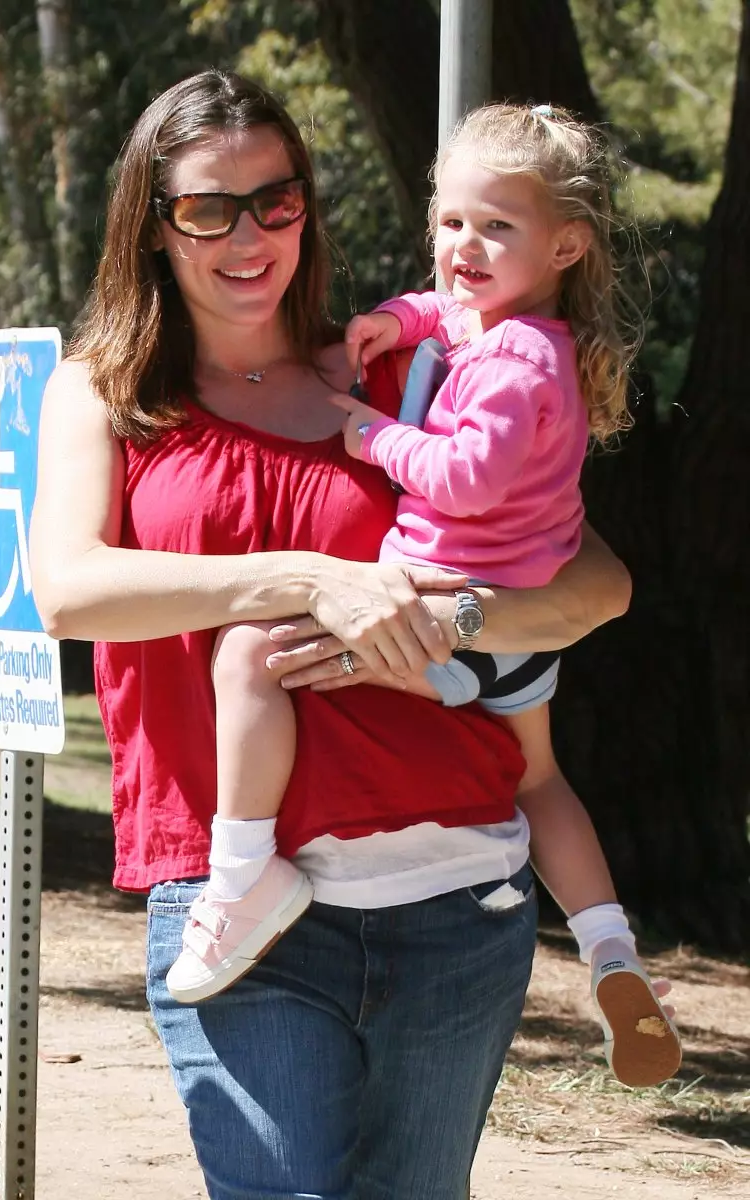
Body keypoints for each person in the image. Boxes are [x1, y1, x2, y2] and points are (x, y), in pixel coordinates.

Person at [29, 69, 664, 1200]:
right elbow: (71, 591)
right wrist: (311, 580)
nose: (248, 233)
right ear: (152, 222)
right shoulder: (106, 391)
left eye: (275, 200)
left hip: (455, 895)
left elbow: (595, 588)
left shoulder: (389, 364)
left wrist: (443, 617)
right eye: (206, 207)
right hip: (234, 907)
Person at [162, 97, 680, 1090]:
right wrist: (384, 322)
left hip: (458, 606)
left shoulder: (512, 366)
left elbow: (464, 480)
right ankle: (611, 951)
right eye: (450, 222)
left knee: (253, 657)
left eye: (496, 228)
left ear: (565, 244)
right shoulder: (500, 324)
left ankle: (238, 879)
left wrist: (365, 432)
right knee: (537, 781)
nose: (463, 248)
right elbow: (435, 309)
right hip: (520, 620)